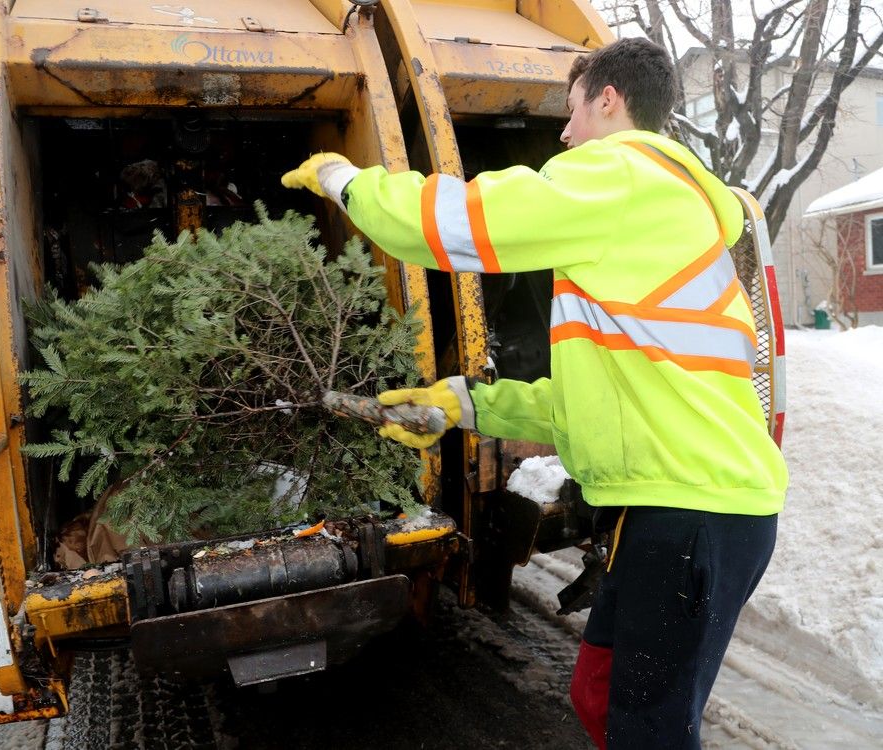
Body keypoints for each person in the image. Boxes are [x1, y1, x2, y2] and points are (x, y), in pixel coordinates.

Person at [282, 37, 787, 750]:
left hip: (690, 514)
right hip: (679, 510)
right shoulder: (660, 209)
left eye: (572, 111)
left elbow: (447, 225)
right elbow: (592, 398)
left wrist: (345, 180)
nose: (565, 131)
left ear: (608, 100)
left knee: (648, 733)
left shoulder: (619, 176)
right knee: (599, 697)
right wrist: (465, 403)